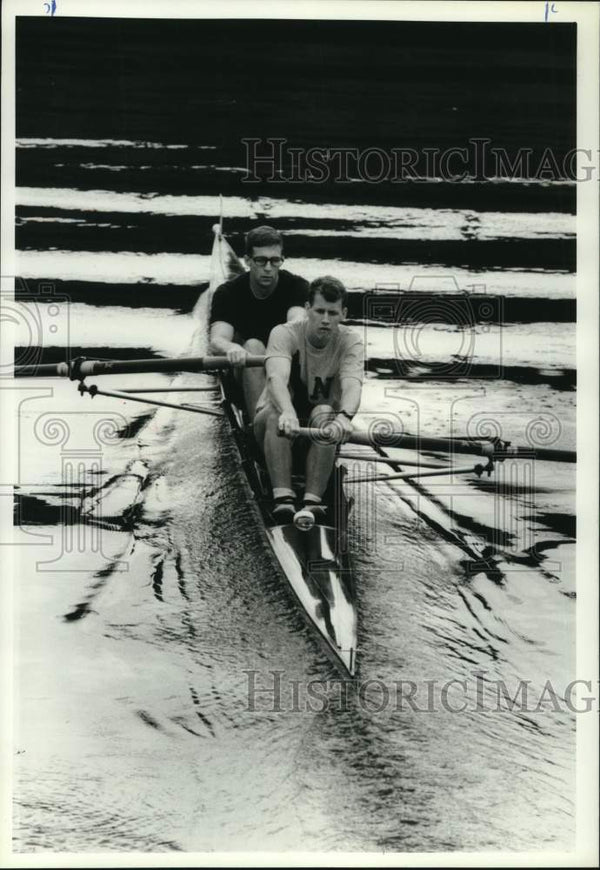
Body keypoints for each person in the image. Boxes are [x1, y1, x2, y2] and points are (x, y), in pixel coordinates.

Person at [253, 275, 364, 524]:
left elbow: (352, 384)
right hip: (275, 427)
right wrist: (288, 412)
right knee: (275, 412)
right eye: (319, 311)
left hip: (318, 429)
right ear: (306, 310)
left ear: (343, 313)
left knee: (326, 412)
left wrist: (345, 417)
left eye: (333, 313)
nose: (325, 320)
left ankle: (312, 504)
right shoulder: (284, 333)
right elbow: (276, 379)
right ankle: (283, 500)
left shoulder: (351, 341)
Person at [209, 225, 308, 419]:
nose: (268, 268)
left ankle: (276, 417)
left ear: (282, 260)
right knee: (253, 346)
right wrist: (231, 348)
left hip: (283, 366)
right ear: (247, 261)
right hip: (246, 366)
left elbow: (295, 325)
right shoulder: (228, 293)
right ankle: (260, 426)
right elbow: (217, 340)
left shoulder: (298, 286)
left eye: (275, 261)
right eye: (261, 261)